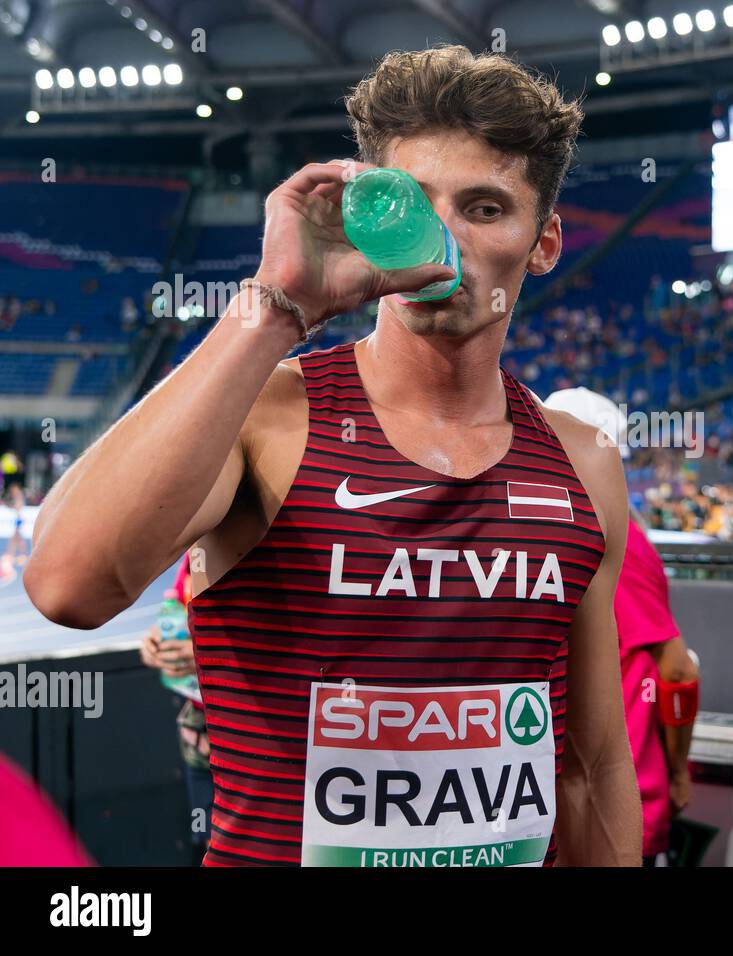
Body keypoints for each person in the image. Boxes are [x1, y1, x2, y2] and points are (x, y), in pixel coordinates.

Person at [25, 45, 640, 867]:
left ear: (544, 242)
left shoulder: (581, 460)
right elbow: (67, 586)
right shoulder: (268, 416)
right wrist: (277, 304)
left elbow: (592, 769)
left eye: (486, 207)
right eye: (415, 202)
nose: (444, 237)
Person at [545, 386, 700, 866]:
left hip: (584, 805)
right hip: (594, 802)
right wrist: (677, 772)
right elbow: (678, 674)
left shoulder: (566, 529)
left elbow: (674, 672)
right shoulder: (610, 534)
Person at [138, 552, 212, 865]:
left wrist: (206, 652)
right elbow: (176, 611)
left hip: (254, 743)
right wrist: (155, 643)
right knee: (209, 846)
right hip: (200, 741)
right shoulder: (197, 551)